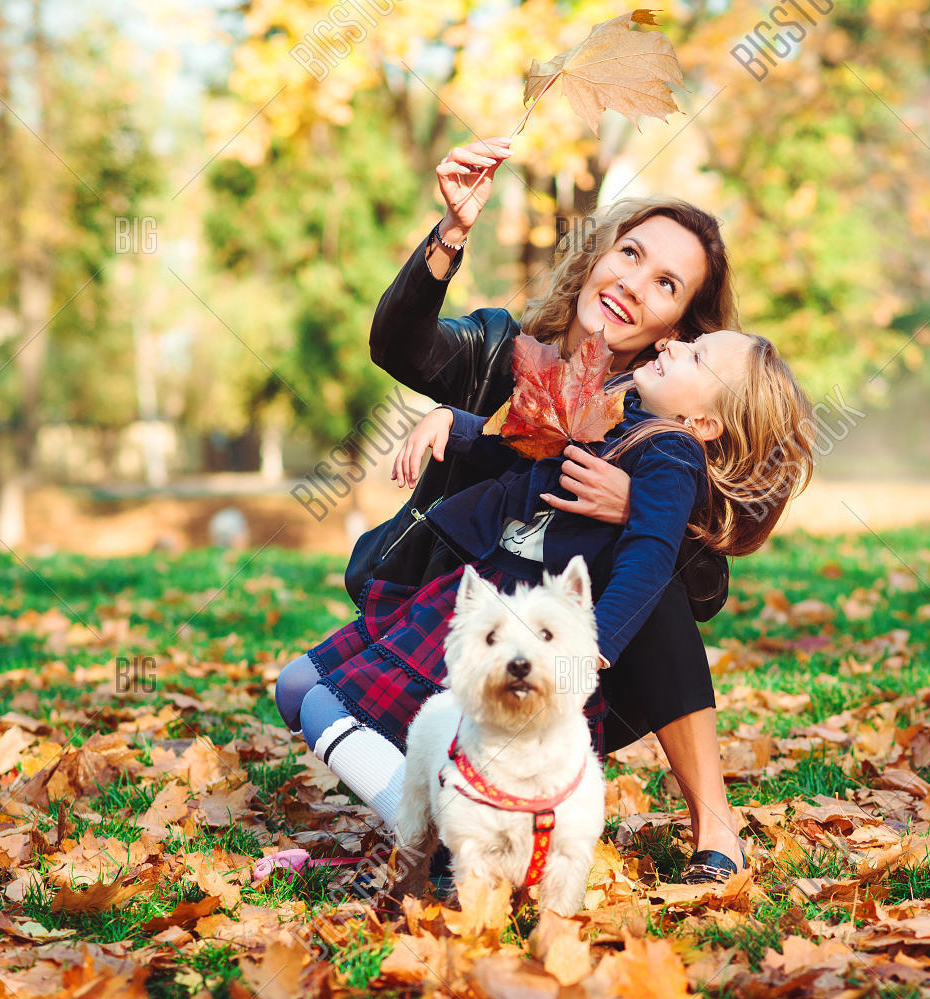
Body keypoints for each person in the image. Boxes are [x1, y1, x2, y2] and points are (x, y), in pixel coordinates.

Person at [278, 135, 753, 879]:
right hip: (461, 615)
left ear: (679, 329)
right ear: (598, 253)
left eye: (666, 284)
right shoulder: (506, 351)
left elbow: (701, 578)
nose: (632, 282)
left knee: (641, 564)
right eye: (630, 253)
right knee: (302, 688)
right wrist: (452, 234)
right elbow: (400, 345)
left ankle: (715, 823)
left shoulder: (662, 429)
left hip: (586, 669)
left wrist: (639, 504)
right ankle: (448, 814)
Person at [287, 327, 815, 887]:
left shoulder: (670, 452)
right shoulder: (611, 403)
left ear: (703, 424)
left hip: (529, 629)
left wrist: (595, 648)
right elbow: (515, 451)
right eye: (687, 342)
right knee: (316, 695)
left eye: (696, 355)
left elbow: (651, 559)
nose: (672, 346)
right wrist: (457, 426)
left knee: (346, 705)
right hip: (487, 594)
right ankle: (439, 821)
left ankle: (442, 839)